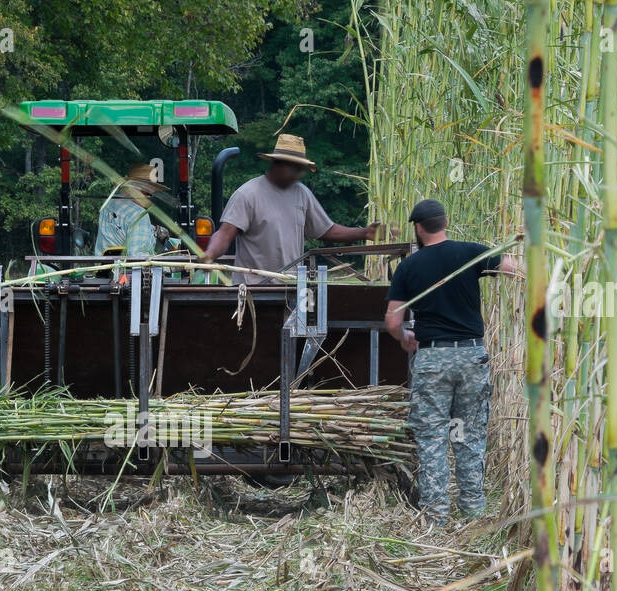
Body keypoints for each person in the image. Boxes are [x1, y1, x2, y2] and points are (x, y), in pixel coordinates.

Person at [383, 199, 523, 526]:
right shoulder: (469, 253)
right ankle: (473, 510)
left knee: (432, 437)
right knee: (468, 434)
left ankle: (436, 515)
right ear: (445, 222)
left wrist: (405, 338)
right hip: (472, 357)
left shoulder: (409, 267)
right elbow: (516, 270)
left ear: (418, 227)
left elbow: (392, 321)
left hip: (432, 358)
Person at [201, 133, 380, 282]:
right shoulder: (248, 194)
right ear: (277, 164)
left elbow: (326, 230)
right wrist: (210, 254)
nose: (298, 174)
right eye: (294, 168)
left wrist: (364, 233)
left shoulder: (302, 194)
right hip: (251, 290)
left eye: (300, 169)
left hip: (290, 288)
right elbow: (225, 234)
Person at [94, 163, 166, 259]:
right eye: (146, 192)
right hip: (124, 272)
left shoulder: (108, 205)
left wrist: (152, 230)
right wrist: (169, 267)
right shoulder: (139, 214)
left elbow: (120, 230)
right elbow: (140, 258)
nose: (149, 198)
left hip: (101, 270)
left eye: (152, 194)